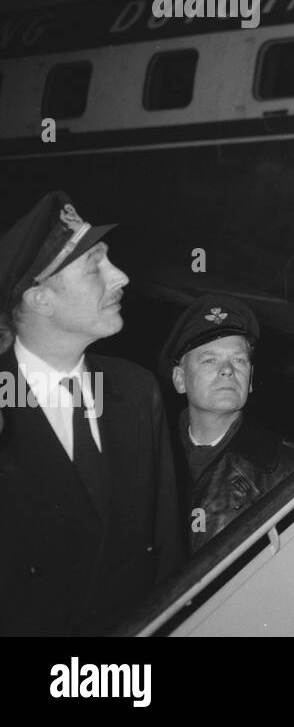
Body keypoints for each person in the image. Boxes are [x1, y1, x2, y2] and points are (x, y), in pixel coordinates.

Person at [0, 192, 180, 635]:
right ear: (41, 300)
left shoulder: (136, 391)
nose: (120, 277)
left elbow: (168, 549)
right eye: (94, 265)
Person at [160, 293, 294, 555]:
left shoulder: (293, 470)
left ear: (250, 380)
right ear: (180, 379)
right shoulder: (143, 458)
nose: (228, 370)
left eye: (239, 360)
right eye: (210, 360)